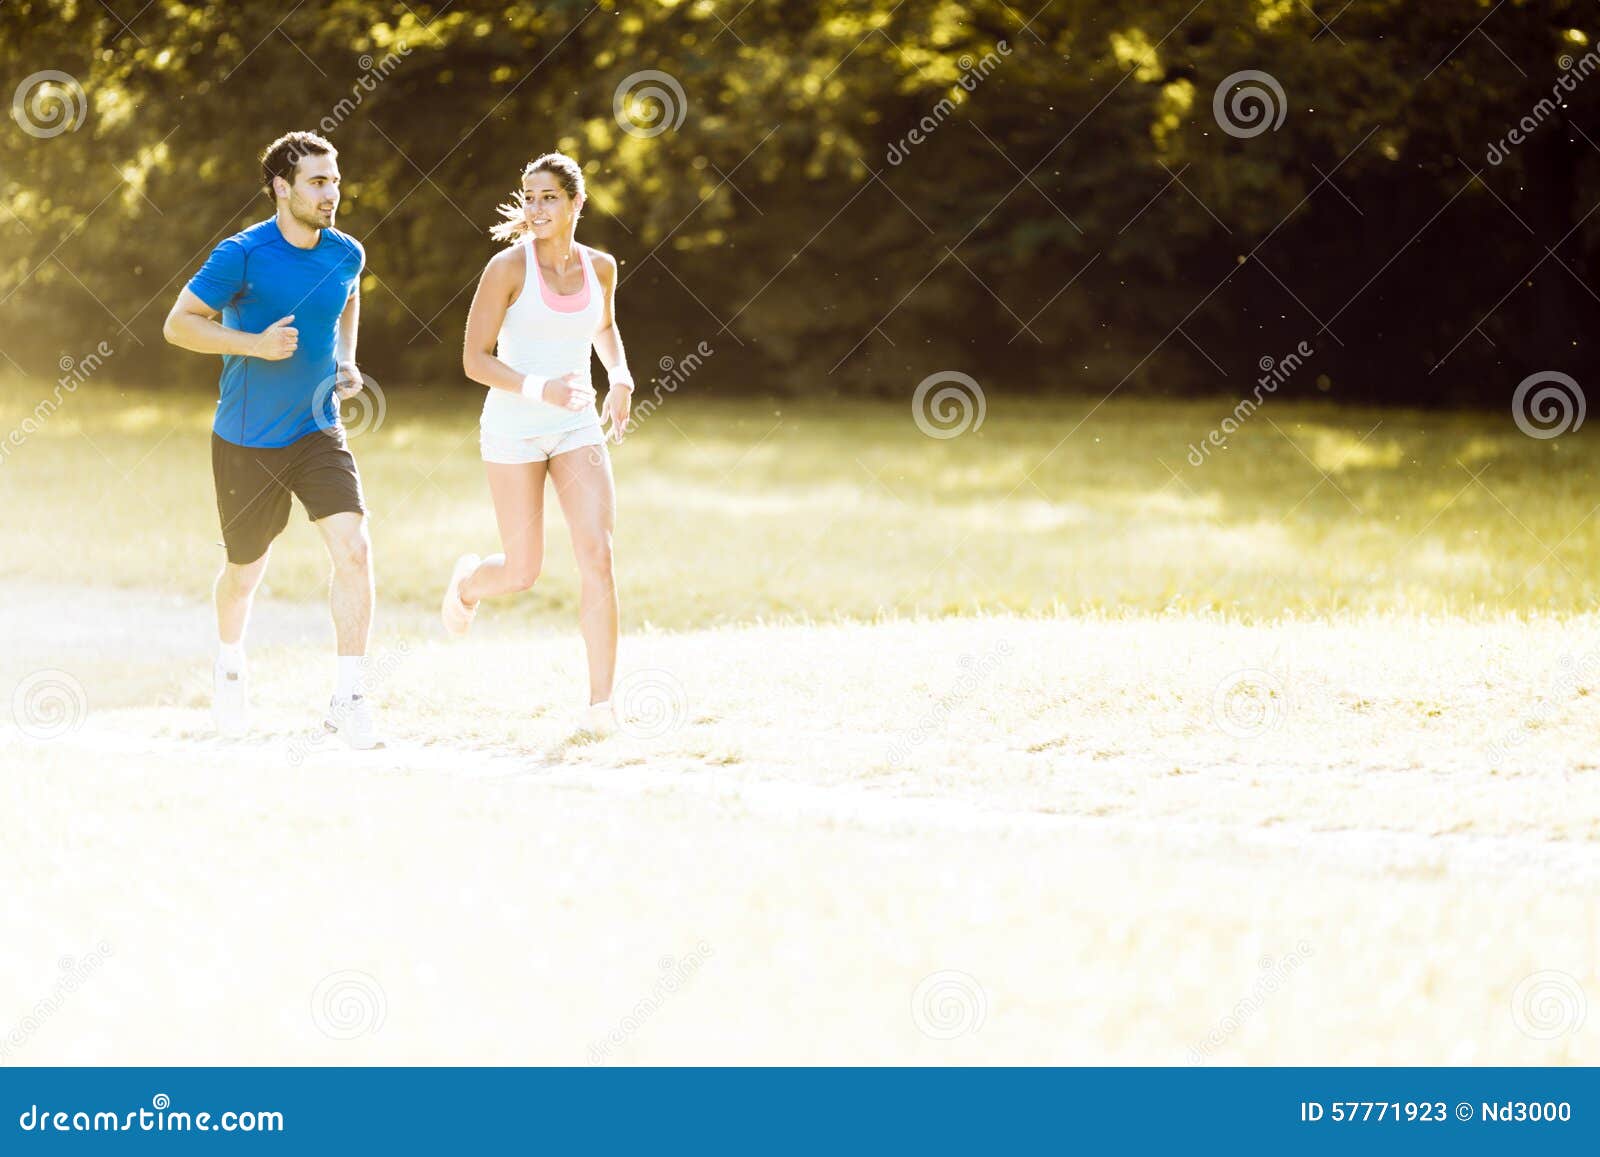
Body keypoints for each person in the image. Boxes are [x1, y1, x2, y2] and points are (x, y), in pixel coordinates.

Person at [162, 130, 381, 748]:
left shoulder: (346, 253)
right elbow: (178, 325)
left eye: (335, 180)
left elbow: (348, 297)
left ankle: (349, 695)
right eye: (317, 182)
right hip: (246, 438)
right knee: (244, 573)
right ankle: (230, 665)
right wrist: (254, 345)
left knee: (355, 549)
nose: (331, 193)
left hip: (318, 428)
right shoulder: (242, 254)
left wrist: (345, 357)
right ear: (282, 188)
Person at [441, 152, 634, 735]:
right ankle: (469, 584)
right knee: (523, 571)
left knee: (597, 556)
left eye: (549, 196)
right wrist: (538, 388)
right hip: (514, 429)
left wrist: (619, 375)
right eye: (529, 196)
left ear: (577, 202)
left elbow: (602, 326)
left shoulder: (601, 268)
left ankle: (600, 706)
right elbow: (474, 360)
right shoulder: (507, 268)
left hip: (576, 427)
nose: (537, 207)